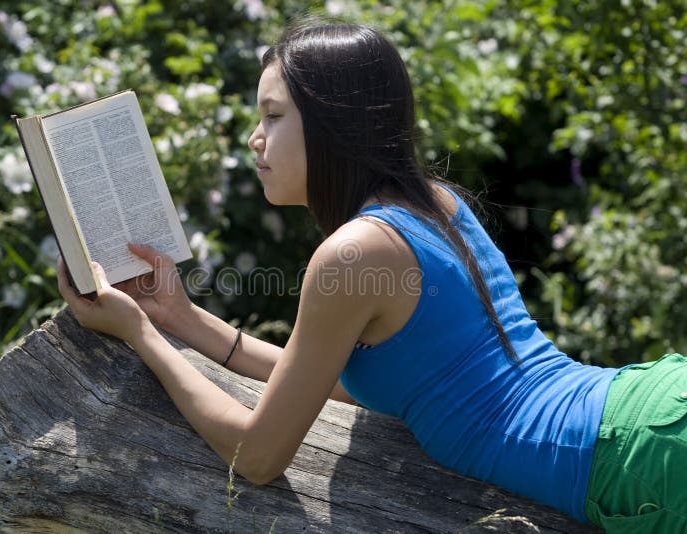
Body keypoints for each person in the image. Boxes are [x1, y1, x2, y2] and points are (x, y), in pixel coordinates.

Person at [56, 21, 687, 533]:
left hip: (636, 462)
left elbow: (257, 457)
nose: (254, 139)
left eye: (273, 116)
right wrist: (177, 317)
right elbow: (347, 383)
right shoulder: (434, 203)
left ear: (331, 123)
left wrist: (140, 336)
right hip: (639, 420)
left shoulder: (353, 255)